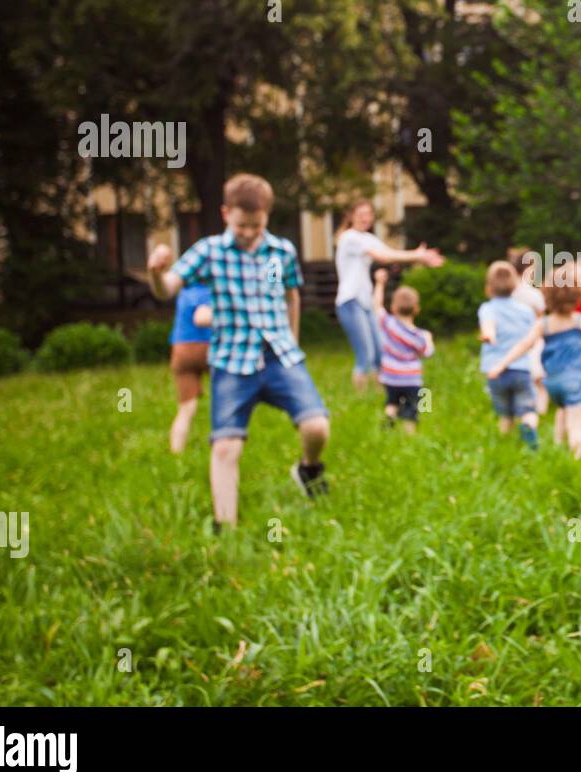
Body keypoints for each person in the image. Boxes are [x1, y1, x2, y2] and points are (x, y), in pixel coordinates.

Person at [147, 173, 330, 531]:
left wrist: (292, 339)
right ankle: (224, 527)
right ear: (225, 213)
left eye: (256, 224)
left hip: (279, 354)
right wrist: (156, 272)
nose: (248, 232)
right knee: (226, 447)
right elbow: (167, 290)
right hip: (232, 361)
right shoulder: (210, 251)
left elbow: (288, 295)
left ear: (267, 216)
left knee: (317, 427)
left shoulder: (280, 252)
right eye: (242, 224)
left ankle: (307, 469)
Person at [488, 262, 581, 459]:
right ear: (578, 294)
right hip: (576, 380)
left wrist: (501, 364)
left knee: (562, 410)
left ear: (546, 295)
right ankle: (577, 458)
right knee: (576, 423)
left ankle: (556, 447)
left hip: (553, 383)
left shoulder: (544, 324)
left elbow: (523, 345)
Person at [334, 198, 443, 395]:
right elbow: (382, 257)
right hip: (350, 302)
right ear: (351, 216)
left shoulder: (367, 238)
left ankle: (382, 396)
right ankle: (360, 399)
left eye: (369, 214)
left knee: (379, 354)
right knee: (365, 355)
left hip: (365, 302)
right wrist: (416, 256)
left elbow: (390, 252)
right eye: (361, 214)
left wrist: (418, 255)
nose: (366, 218)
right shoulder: (349, 238)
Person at [479, 261, 540, 449]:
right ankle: (528, 426)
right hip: (521, 368)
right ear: (515, 287)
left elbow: (488, 327)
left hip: (496, 371)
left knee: (505, 414)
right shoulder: (526, 310)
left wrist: (489, 335)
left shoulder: (487, 309)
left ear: (488, 289)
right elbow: (533, 336)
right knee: (528, 410)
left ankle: (504, 447)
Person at [372, 268, 434, 434]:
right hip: (411, 379)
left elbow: (376, 306)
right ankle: (410, 434)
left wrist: (379, 283)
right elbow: (427, 353)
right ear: (416, 309)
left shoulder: (388, 324)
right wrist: (429, 338)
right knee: (412, 407)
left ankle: (389, 421)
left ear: (393, 307)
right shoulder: (419, 336)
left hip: (390, 377)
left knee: (392, 402)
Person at [167, 283, 212, 453]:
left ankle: (176, 453)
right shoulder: (209, 290)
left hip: (181, 350)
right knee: (225, 402)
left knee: (186, 409)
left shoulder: (184, 292)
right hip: (207, 348)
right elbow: (201, 318)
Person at [508, 247, 549, 415]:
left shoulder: (508, 292)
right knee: (539, 381)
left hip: (511, 340)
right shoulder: (533, 294)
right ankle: (539, 410)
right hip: (532, 341)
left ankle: (516, 409)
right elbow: (542, 318)